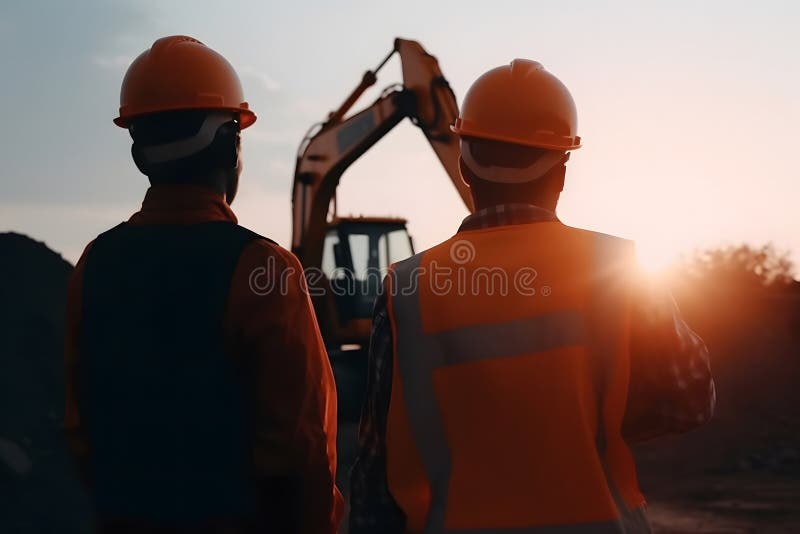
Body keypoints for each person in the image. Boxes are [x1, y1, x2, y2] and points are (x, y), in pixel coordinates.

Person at [349, 59, 715, 533]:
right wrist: (587, 422)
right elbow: (690, 398)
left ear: (464, 165)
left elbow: (375, 468)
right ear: (562, 170)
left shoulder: (408, 289)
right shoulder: (617, 268)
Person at [63, 35, 342, 533]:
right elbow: (301, 448)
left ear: (140, 152)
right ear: (229, 144)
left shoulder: (94, 264)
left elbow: (80, 431)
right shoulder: (264, 270)